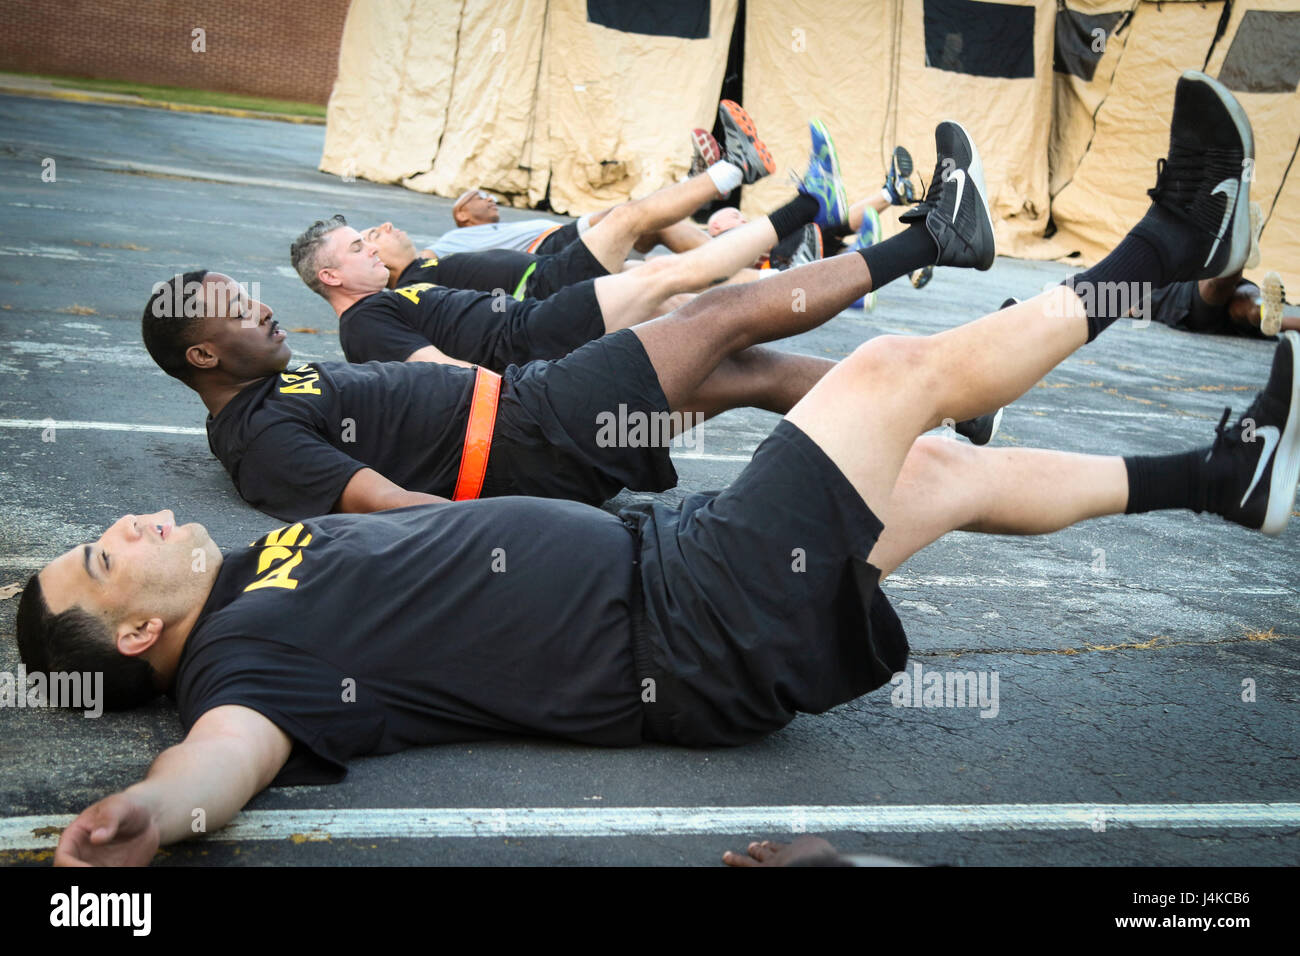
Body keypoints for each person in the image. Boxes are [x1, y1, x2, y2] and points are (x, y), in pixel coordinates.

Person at [27, 74, 1295, 866]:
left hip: (671, 571)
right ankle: (1169, 238)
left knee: (932, 474)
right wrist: (156, 811)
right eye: (102, 556)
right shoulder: (241, 664)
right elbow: (221, 761)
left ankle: (1221, 475)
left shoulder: (251, 573)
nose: (125, 521)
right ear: (138, 628)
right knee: (886, 373)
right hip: (685, 626)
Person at [431, 101, 774, 259]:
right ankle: (728, 172)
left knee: (650, 226)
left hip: (556, 243)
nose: (490, 199)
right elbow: (417, 263)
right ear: (460, 213)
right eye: (479, 197)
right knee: (633, 215)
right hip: (553, 248)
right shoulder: (448, 244)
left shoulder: (493, 234)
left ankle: (701, 186)